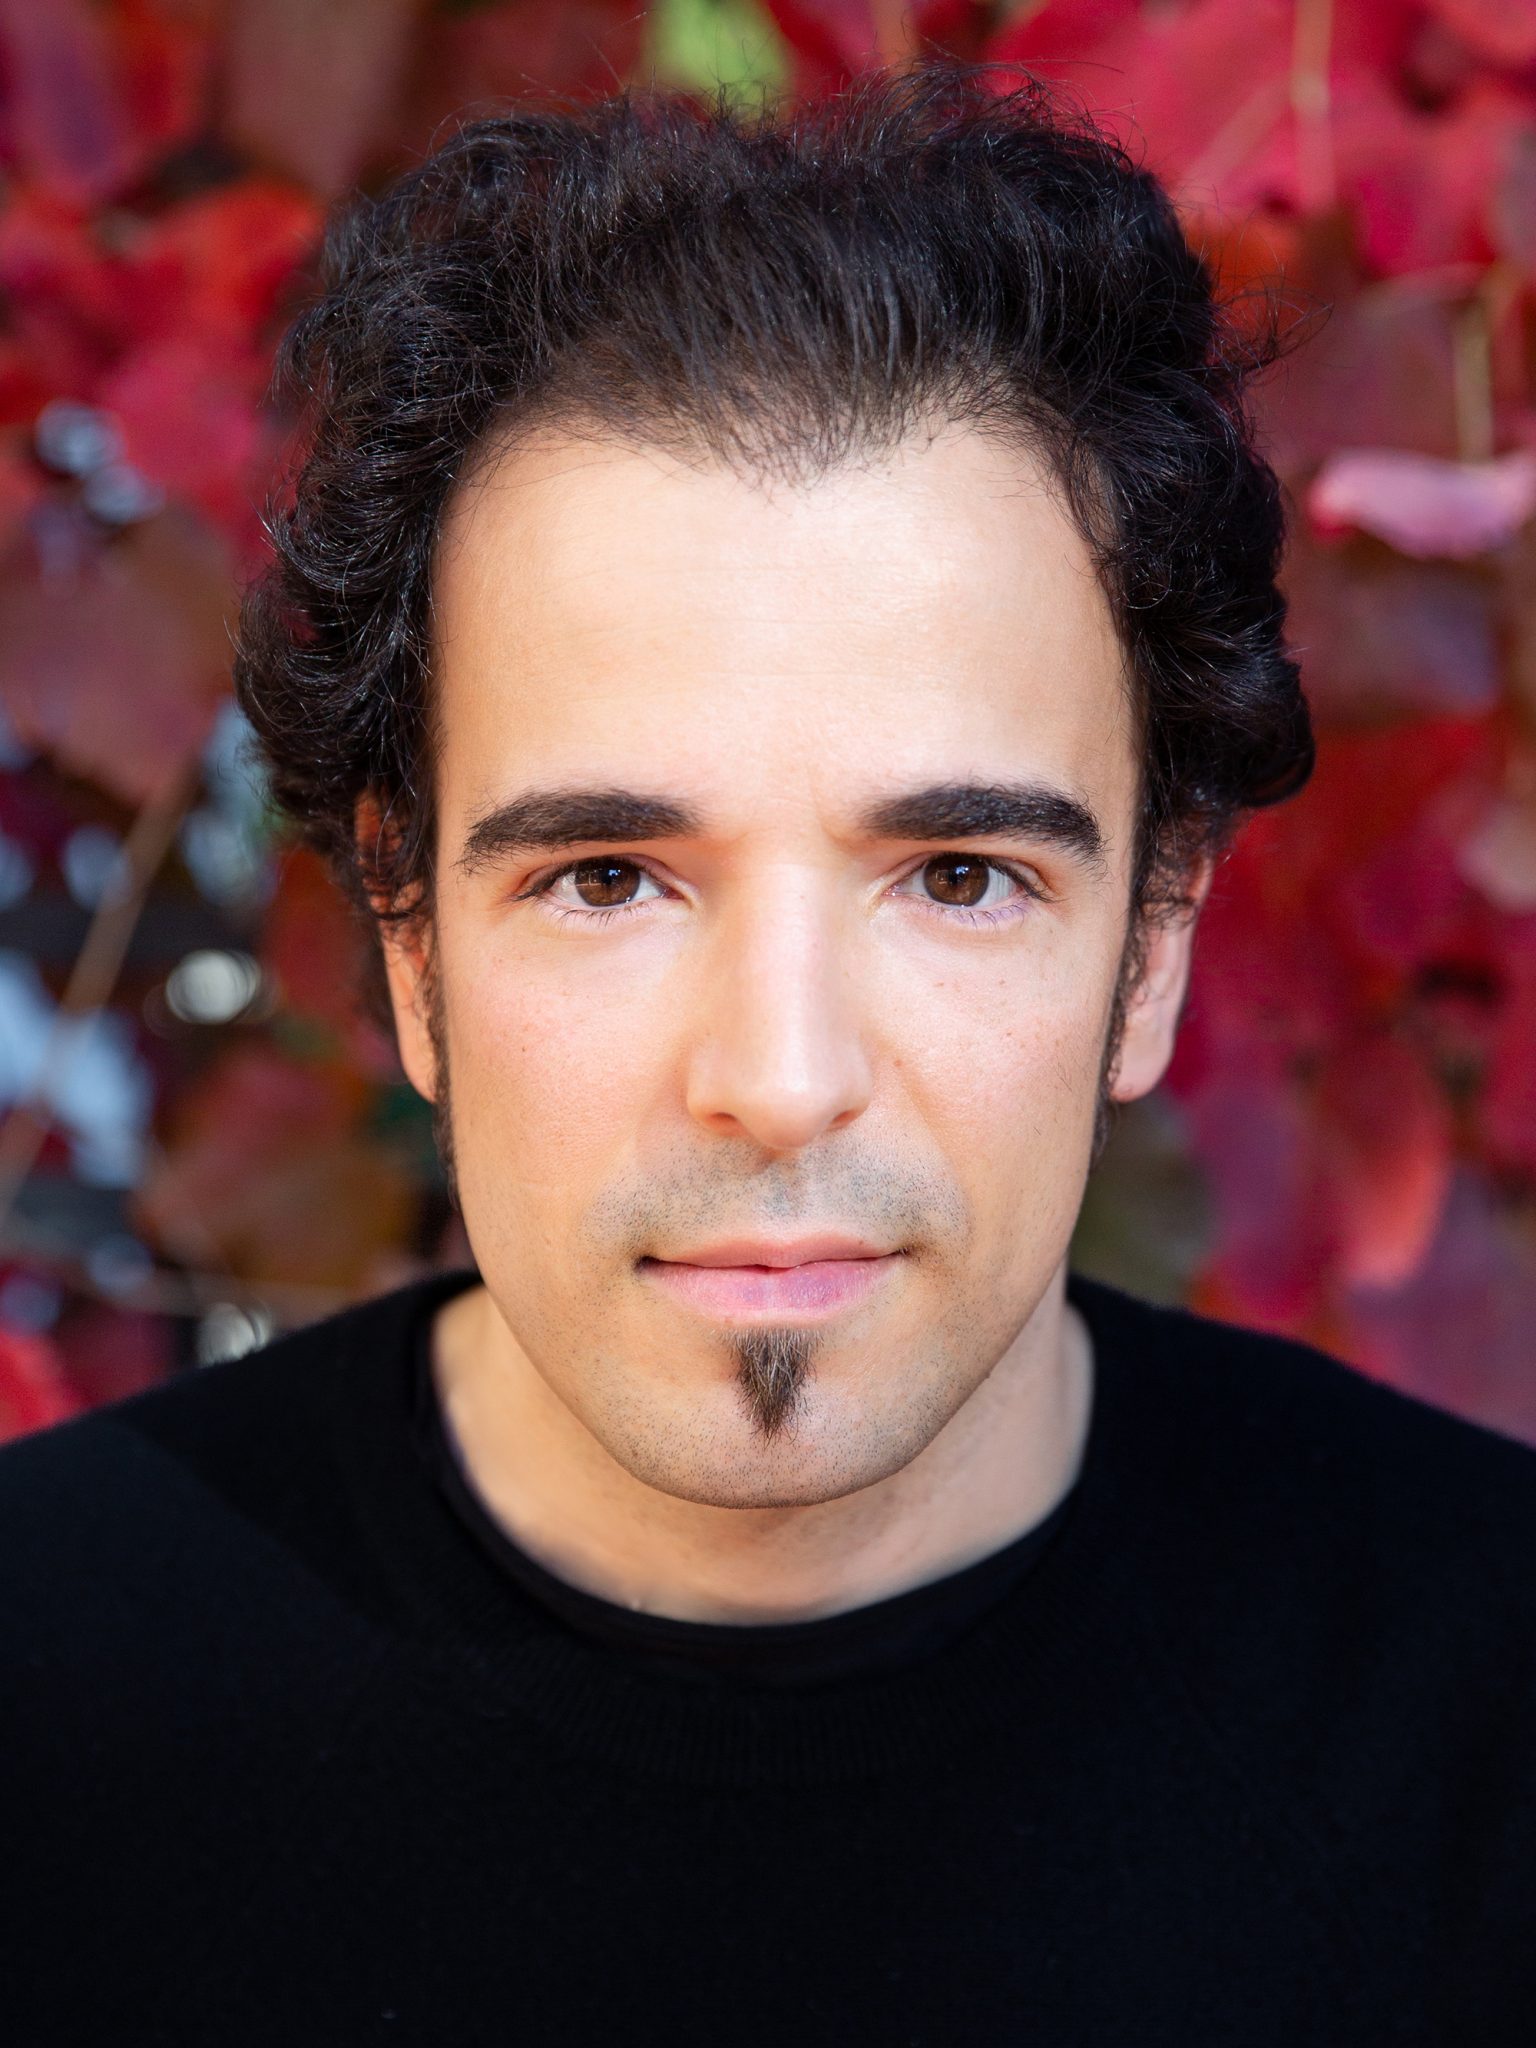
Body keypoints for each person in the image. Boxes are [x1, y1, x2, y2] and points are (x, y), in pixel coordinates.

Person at [2, 59, 1532, 2046]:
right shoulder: (46, 1707)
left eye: (960, 877)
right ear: (409, 940)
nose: (782, 1075)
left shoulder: (1487, 1717)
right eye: (609, 879)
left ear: (1154, 941)